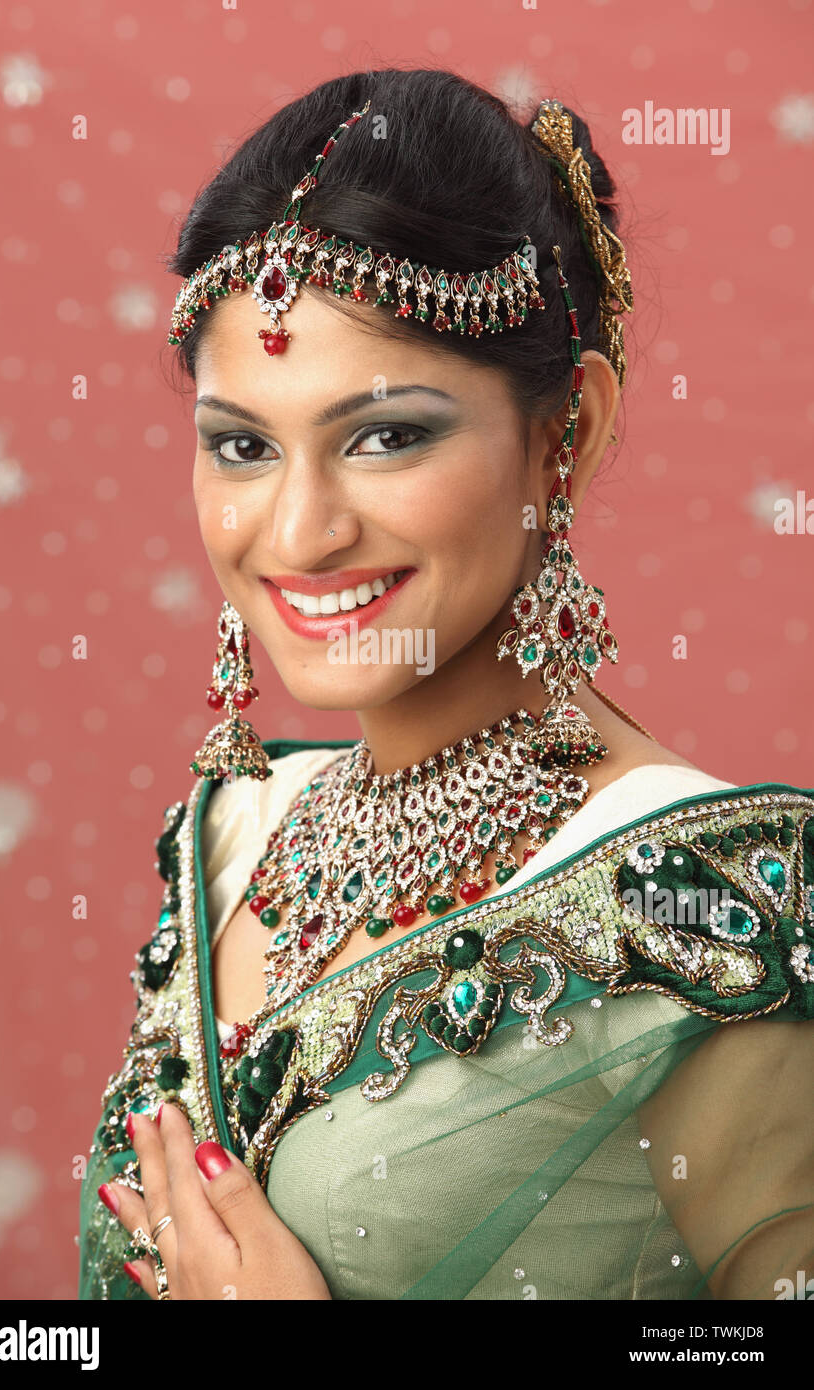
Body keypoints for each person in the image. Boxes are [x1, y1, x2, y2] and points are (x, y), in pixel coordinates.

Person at [78, 69, 814, 1301]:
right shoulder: (234, 835)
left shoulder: (695, 903)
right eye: (242, 446)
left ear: (564, 434)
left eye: (385, 435)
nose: (299, 533)